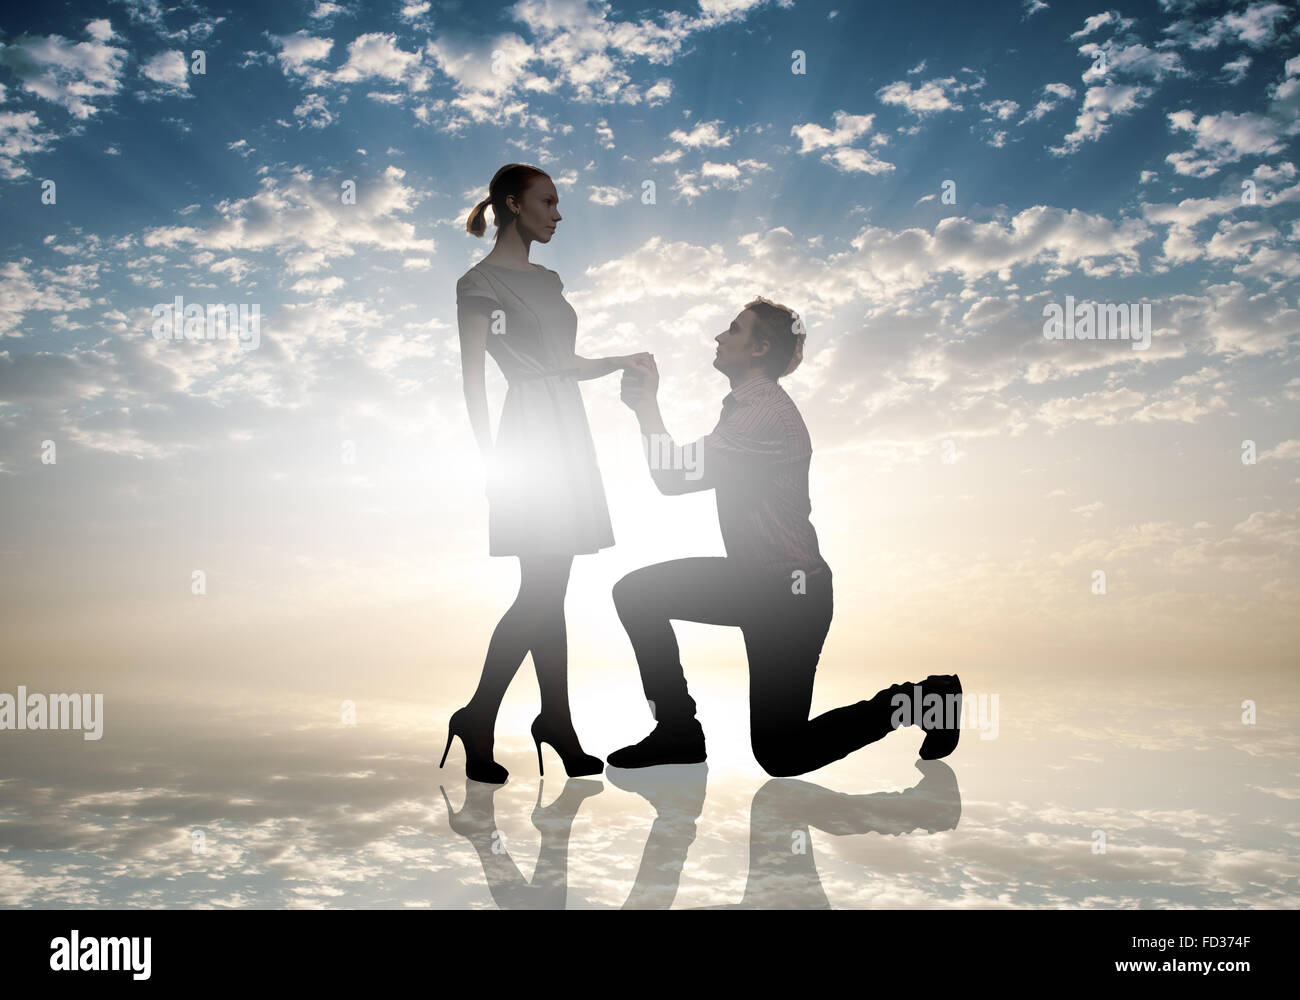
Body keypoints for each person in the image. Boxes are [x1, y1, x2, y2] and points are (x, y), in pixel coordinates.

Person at [609, 298, 962, 776]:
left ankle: (925, 701)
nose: (718, 337)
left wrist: (647, 406)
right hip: (755, 583)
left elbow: (674, 478)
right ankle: (678, 731)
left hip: (789, 596)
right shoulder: (745, 408)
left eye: (732, 330)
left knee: (783, 754)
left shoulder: (763, 415)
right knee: (636, 593)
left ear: (761, 348)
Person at [443, 163, 649, 784]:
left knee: (549, 587)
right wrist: (490, 461)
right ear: (514, 204)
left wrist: (617, 360)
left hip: (568, 430)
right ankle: (483, 715)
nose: (558, 214)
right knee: (540, 590)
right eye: (549, 202)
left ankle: (553, 718)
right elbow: (472, 378)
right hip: (528, 435)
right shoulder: (478, 284)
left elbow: (563, 362)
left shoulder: (551, 279)